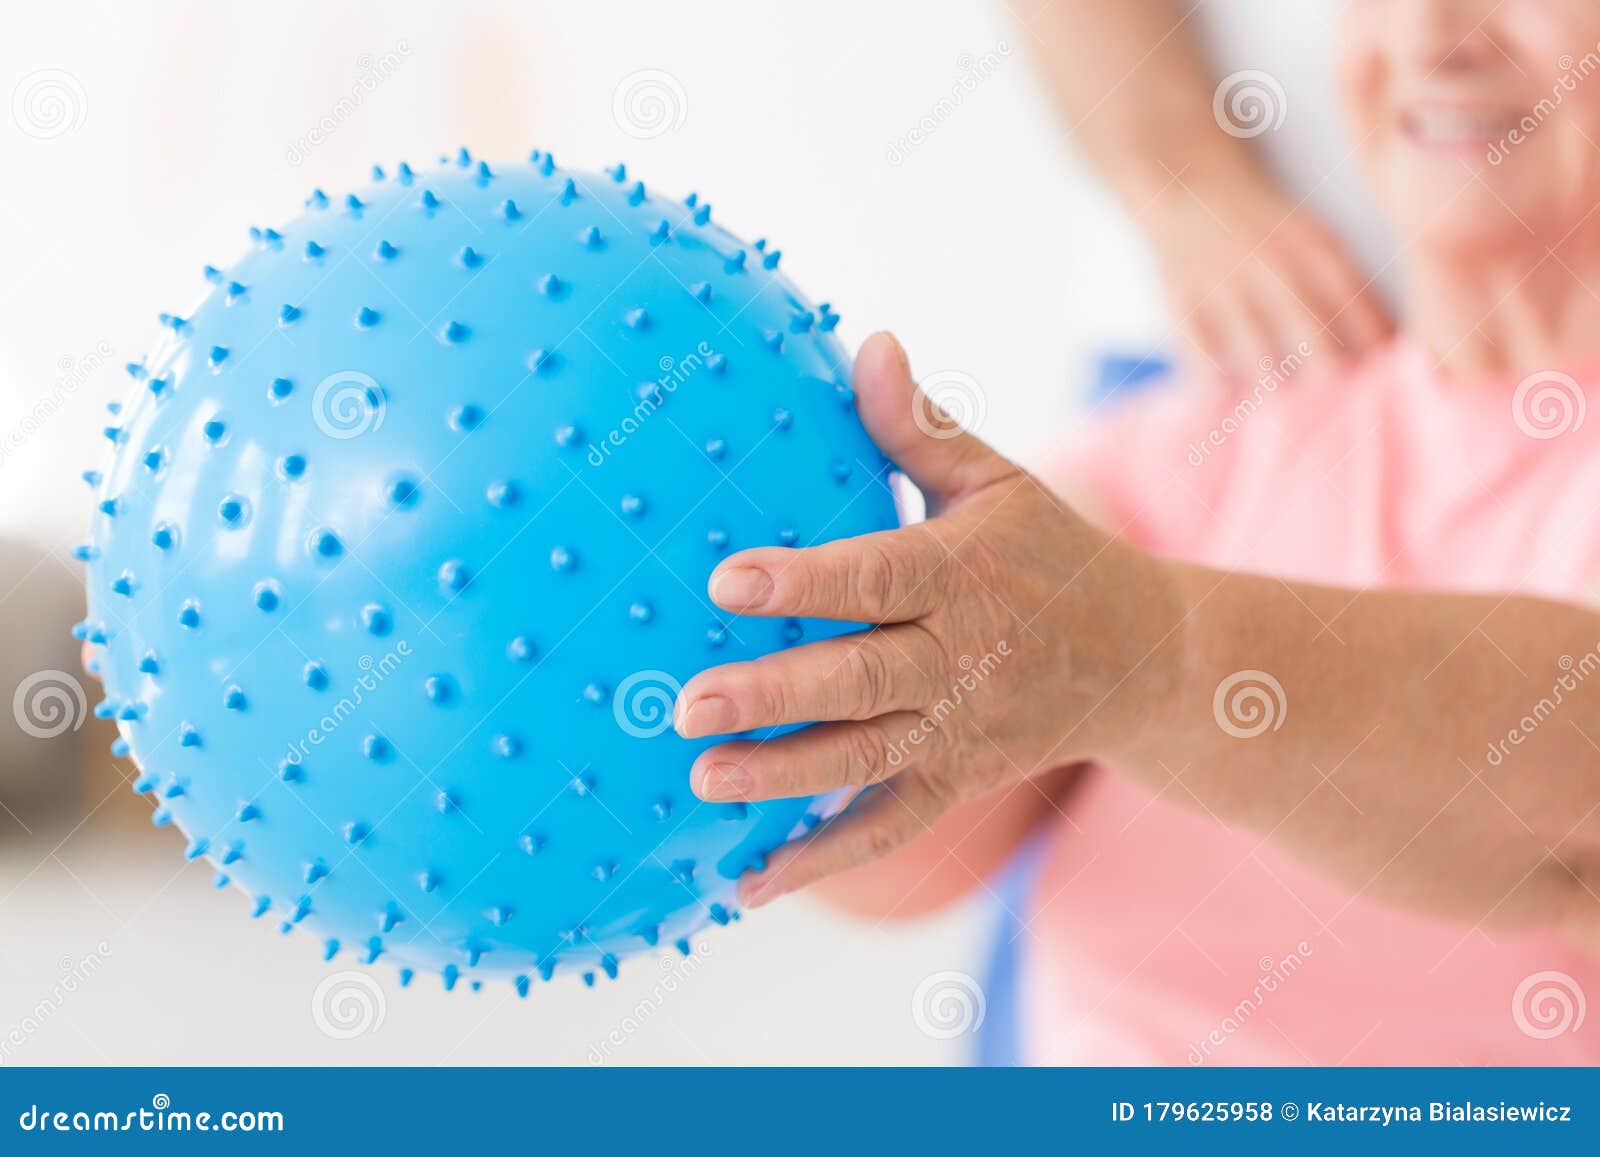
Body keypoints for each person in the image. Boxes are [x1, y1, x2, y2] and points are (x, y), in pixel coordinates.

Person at [673, 0, 1600, 1063]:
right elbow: (900, 862)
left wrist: (1138, 657)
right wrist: (765, 666)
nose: (1432, 35)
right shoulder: (1195, 446)